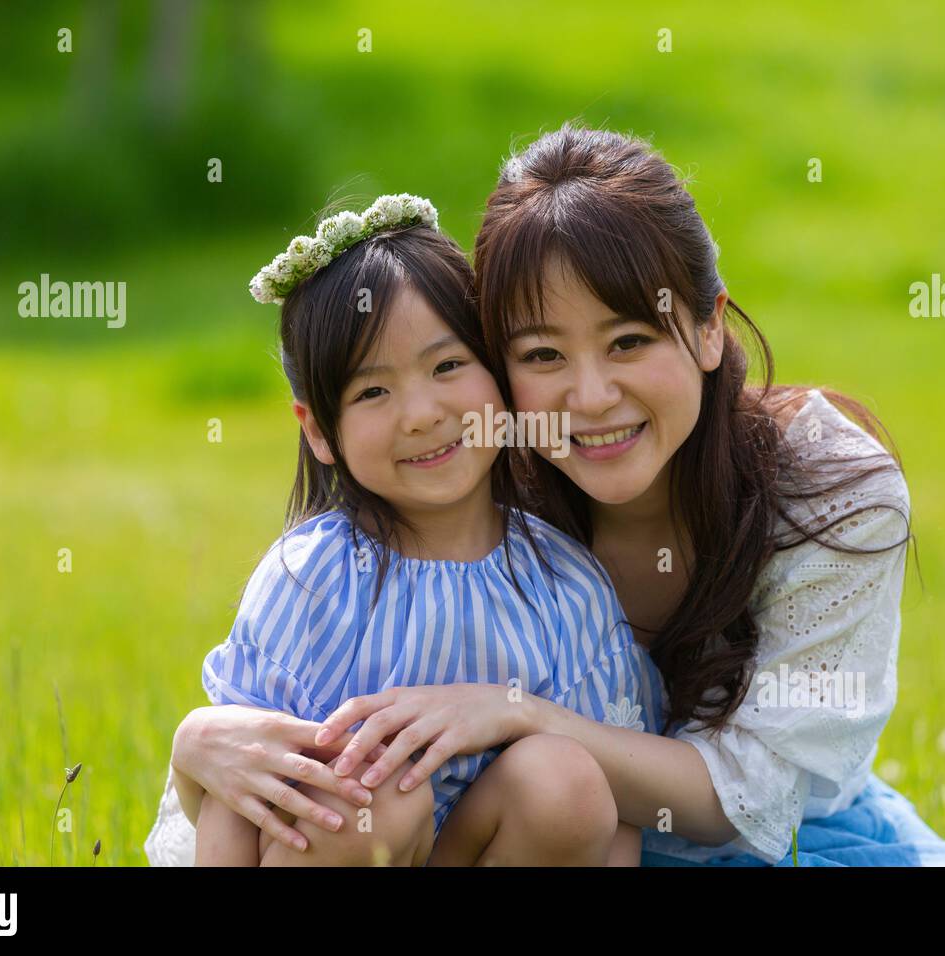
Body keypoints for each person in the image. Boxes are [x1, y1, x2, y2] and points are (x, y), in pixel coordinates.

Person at [158, 128, 945, 867]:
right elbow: (279, 723)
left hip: (755, 844)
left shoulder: (826, 489)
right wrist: (199, 743)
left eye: (627, 342)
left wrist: (519, 712)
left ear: (707, 326)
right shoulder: (486, 469)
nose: (588, 397)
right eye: (542, 355)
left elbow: (760, 796)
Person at [161, 193, 665, 867]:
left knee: (569, 782)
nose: (422, 414)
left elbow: (619, 815)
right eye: (373, 392)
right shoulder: (309, 582)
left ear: (500, 373)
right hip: (338, 849)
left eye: (448, 366)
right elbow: (234, 791)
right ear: (317, 429)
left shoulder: (564, 587)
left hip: (480, 846)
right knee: (374, 796)